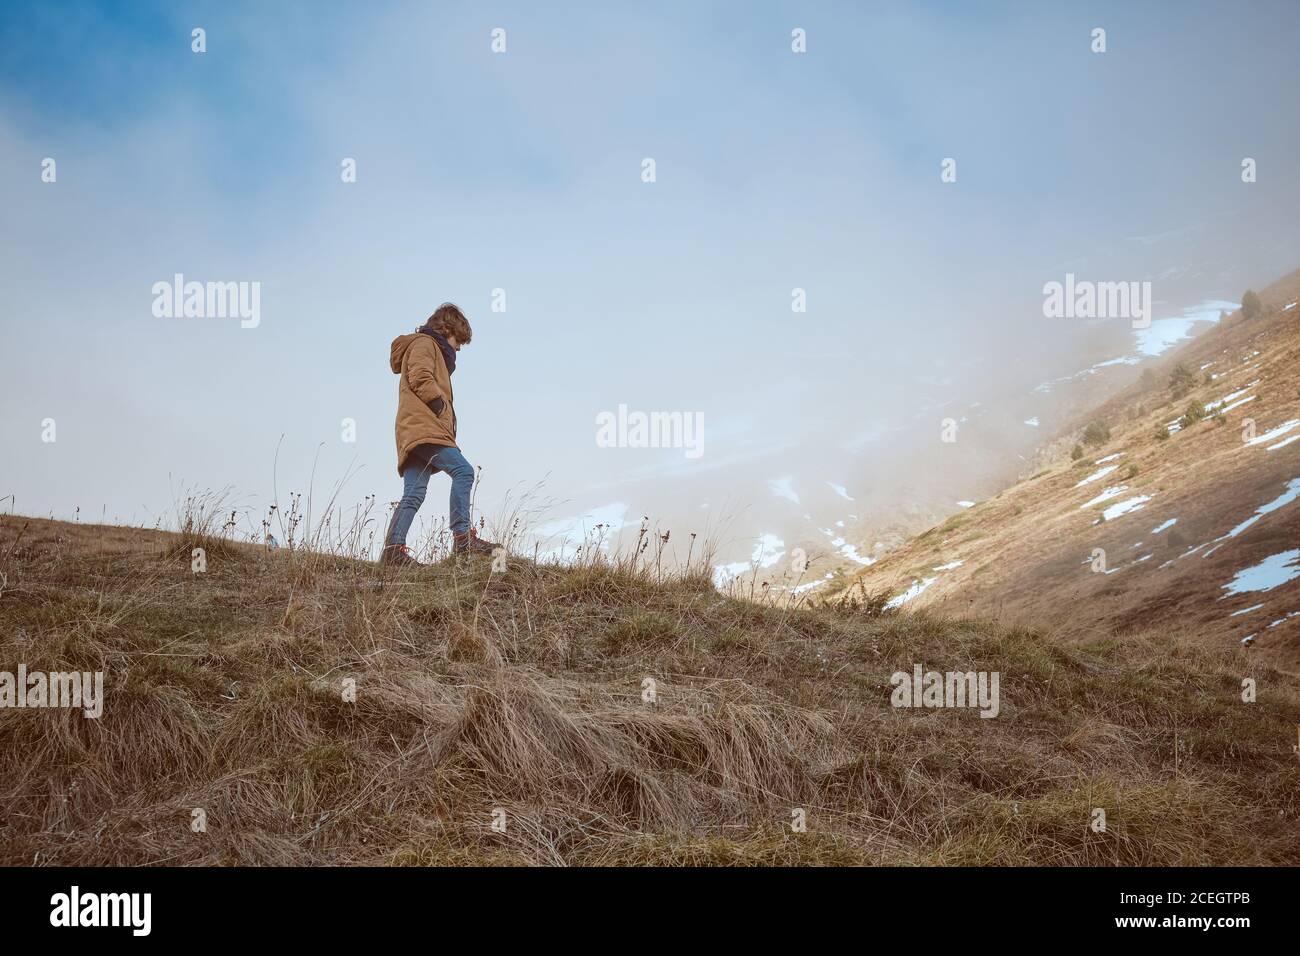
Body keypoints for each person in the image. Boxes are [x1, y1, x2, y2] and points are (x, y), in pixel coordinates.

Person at [382, 303, 499, 565]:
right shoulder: (425, 343)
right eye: (459, 341)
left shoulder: (430, 348)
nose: (458, 349)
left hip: (415, 429)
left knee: (413, 493)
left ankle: (392, 551)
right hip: (425, 428)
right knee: (464, 472)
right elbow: (420, 376)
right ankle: (462, 539)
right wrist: (439, 404)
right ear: (448, 328)